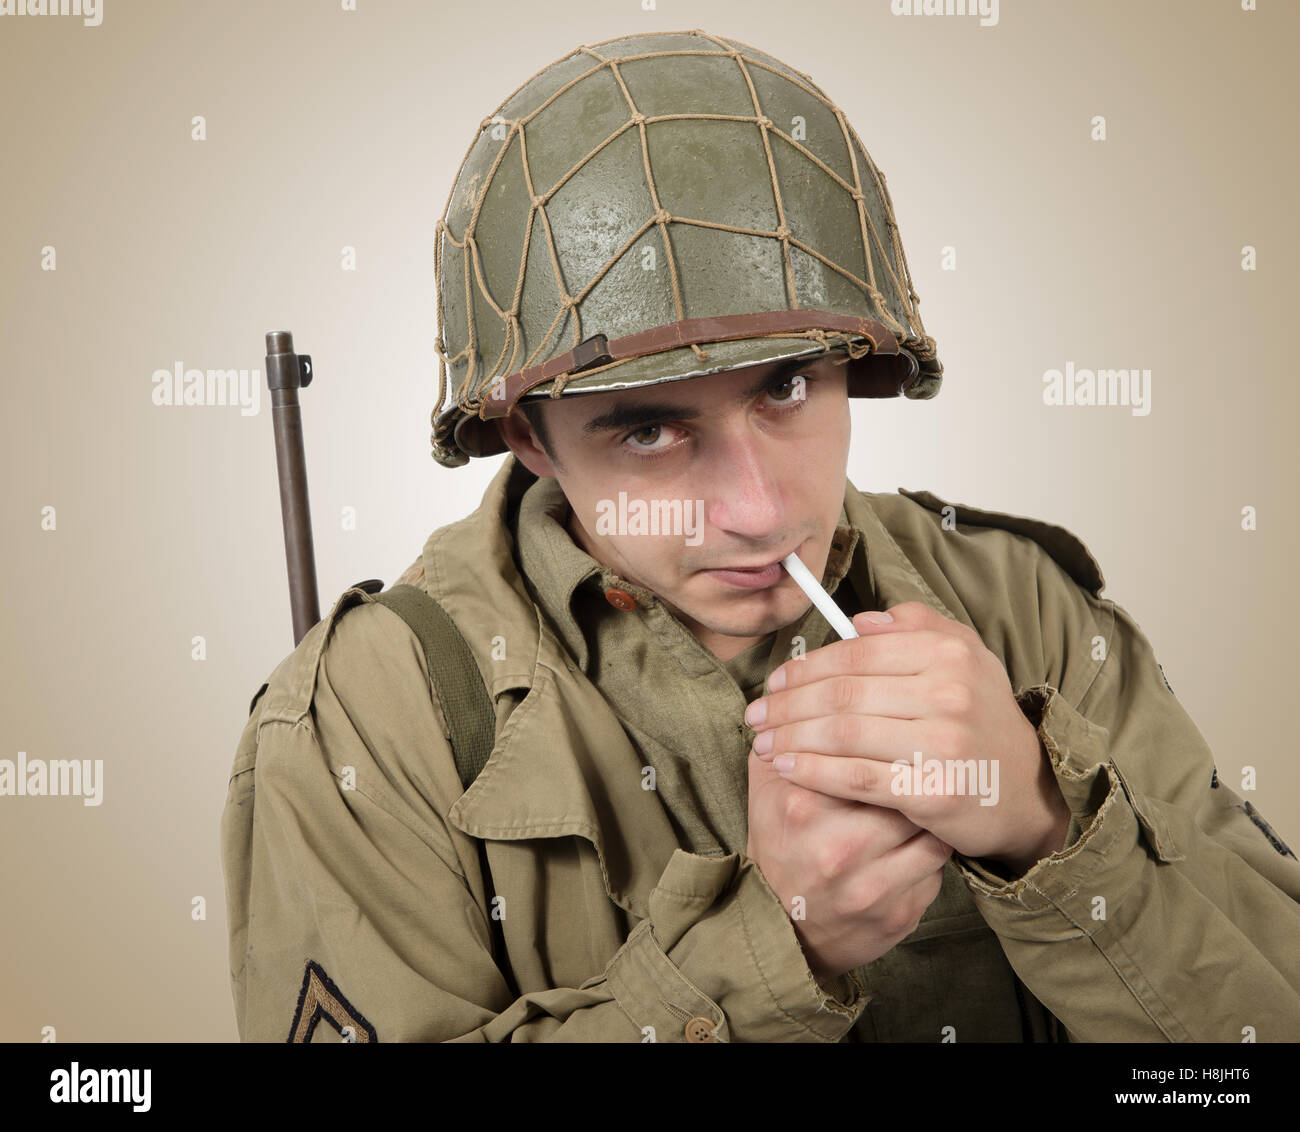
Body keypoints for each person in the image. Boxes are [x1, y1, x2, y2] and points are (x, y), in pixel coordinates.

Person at [220, 28, 1300, 1042]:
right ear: (531, 438)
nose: (757, 506)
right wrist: (773, 949)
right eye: (649, 429)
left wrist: (1047, 826)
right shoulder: (369, 722)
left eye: (787, 385)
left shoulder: (1024, 607)